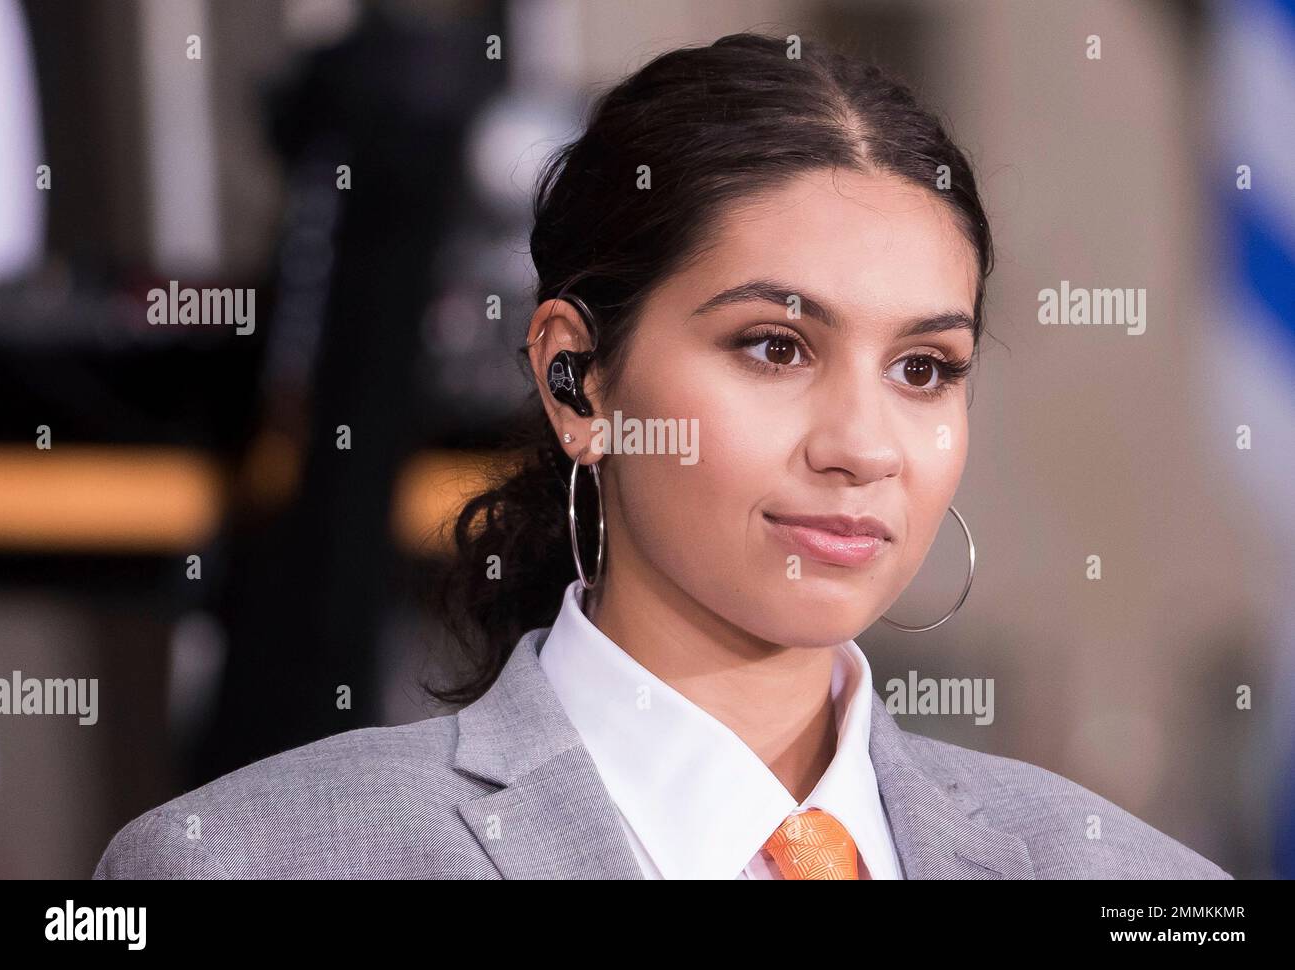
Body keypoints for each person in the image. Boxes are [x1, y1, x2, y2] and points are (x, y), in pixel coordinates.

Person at [94, 32, 1230, 880]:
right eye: (775, 346)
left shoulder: (1142, 885)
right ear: (576, 382)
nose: (863, 446)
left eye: (924, 367)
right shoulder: (253, 865)